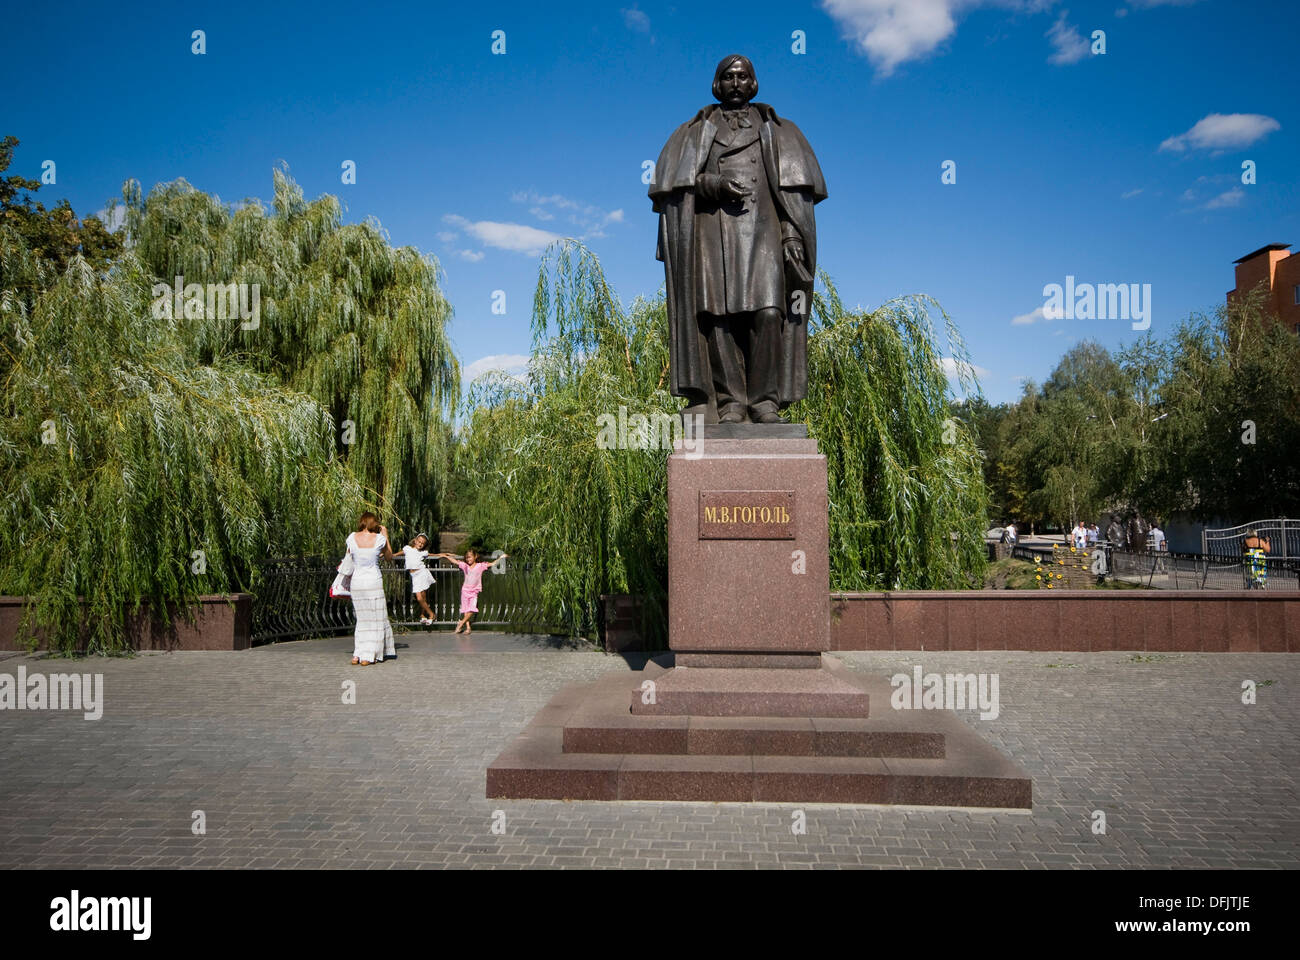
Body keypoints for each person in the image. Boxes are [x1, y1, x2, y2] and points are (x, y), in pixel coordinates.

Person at [648, 54, 827, 424]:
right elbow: (676, 186)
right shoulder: (694, 132)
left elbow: (792, 196)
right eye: (728, 77)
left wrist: (792, 234)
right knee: (719, 320)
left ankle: (765, 401)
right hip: (712, 238)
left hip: (765, 238)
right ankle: (730, 401)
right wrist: (713, 184)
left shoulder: (780, 130)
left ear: (754, 83)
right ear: (717, 84)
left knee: (768, 314)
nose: (735, 83)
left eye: (743, 76)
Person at [346, 512, 396, 665]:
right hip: (373, 581)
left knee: (362, 618)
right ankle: (368, 655)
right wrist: (386, 536)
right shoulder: (379, 539)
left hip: (357, 582)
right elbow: (389, 557)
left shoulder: (351, 537)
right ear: (373, 523)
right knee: (374, 618)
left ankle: (357, 654)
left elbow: (348, 558)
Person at [436, 548, 507, 635]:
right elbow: (455, 561)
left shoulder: (480, 566)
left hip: (474, 591)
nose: (468, 559)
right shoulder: (465, 566)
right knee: (466, 610)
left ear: (475, 556)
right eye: (466, 558)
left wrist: (501, 557)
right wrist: (445, 556)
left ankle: (460, 623)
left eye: (470, 557)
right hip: (465, 590)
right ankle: (468, 628)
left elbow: (492, 563)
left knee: (472, 609)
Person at [402, 533, 435, 625]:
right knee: (421, 597)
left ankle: (431, 614)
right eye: (419, 542)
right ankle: (423, 615)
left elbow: (434, 555)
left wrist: (445, 555)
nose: (420, 544)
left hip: (422, 573)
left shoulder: (423, 553)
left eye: (422, 543)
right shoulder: (407, 548)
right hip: (414, 575)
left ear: (424, 545)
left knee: (421, 597)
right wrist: (390, 555)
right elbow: (400, 553)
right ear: (415, 541)